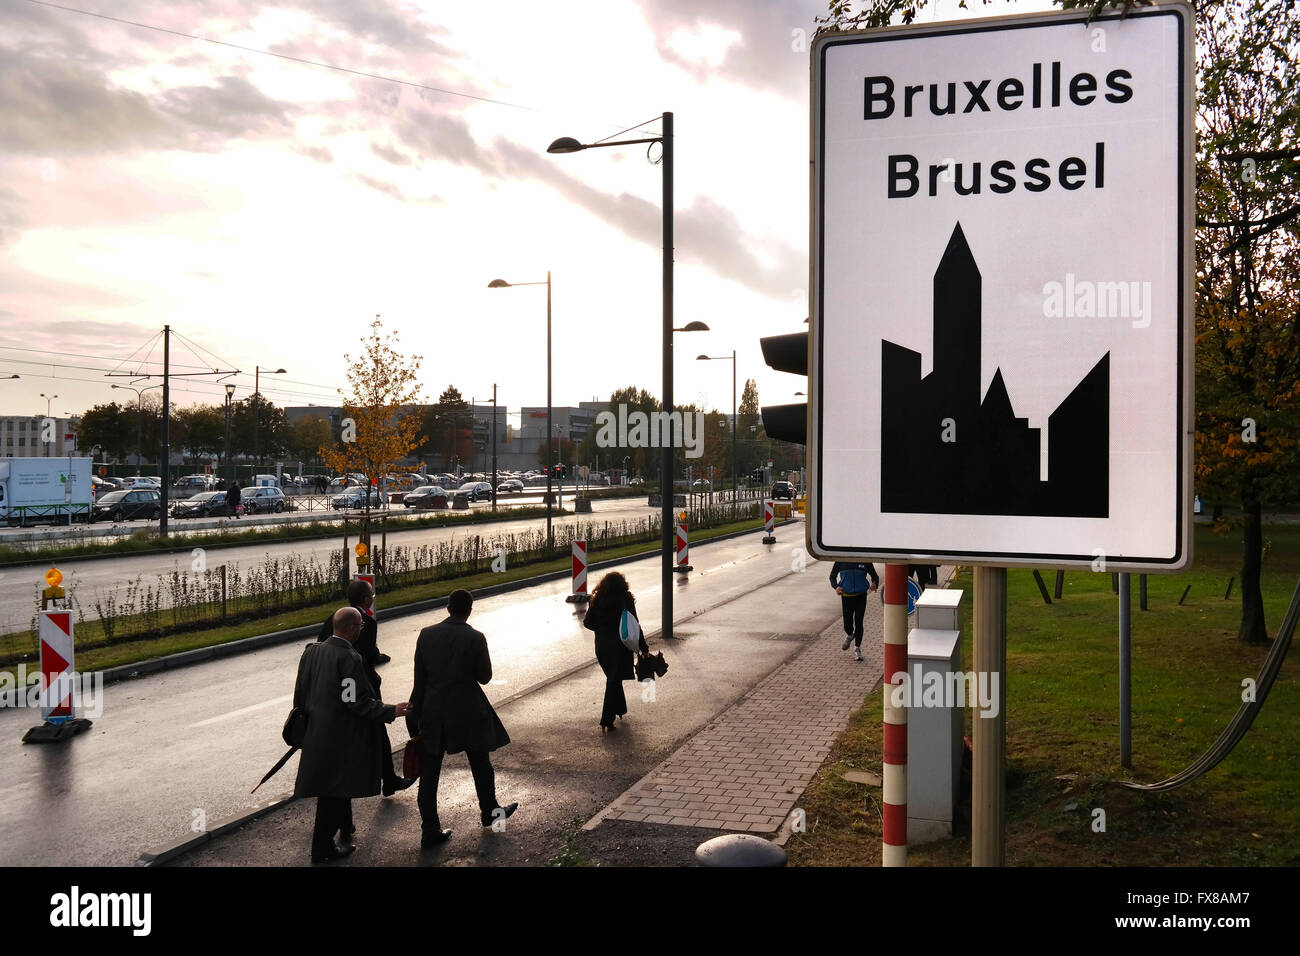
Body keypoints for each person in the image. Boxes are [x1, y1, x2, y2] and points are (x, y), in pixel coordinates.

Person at [293, 606, 409, 864]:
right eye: (360, 626)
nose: (361, 630)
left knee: (333, 789)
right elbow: (355, 701)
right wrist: (391, 710)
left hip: (316, 732)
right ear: (351, 628)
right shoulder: (349, 658)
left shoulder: (312, 651)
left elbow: (301, 691)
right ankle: (322, 849)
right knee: (333, 793)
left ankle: (340, 832)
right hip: (340, 736)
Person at [408, 589, 517, 848]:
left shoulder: (426, 635)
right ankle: (490, 811)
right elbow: (485, 677)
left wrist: (414, 716)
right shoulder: (475, 637)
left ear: (447, 608)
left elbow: (419, 680)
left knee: (429, 773)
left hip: (434, 711)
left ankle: (429, 830)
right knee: (480, 763)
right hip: (468, 710)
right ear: (469, 610)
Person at [316, 579, 411, 796]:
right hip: (361, 686)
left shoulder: (335, 618)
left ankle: (383, 780)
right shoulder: (367, 622)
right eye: (372, 596)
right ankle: (387, 779)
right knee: (377, 730)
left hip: (334, 686)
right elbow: (369, 656)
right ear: (366, 599)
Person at [582, 571, 648, 731]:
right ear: (622, 585)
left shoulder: (597, 599)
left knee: (613, 677)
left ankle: (620, 709)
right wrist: (643, 647)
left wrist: (602, 627)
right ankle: (606, 719)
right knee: (613, 680)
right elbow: (634, 625)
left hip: (602, 646)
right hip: (620, 646)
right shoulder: (625, 599)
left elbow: (588, 623)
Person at [829, 561, 879, 662]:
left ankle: (857, 649)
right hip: (846, 596)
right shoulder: (841, 560)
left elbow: (875, 576)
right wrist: (836, 587)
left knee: (859, 622)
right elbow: (832, 576)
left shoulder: (864, 559)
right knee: (847, 625)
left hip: (861, 596)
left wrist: (875, 584)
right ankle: (850, 635)